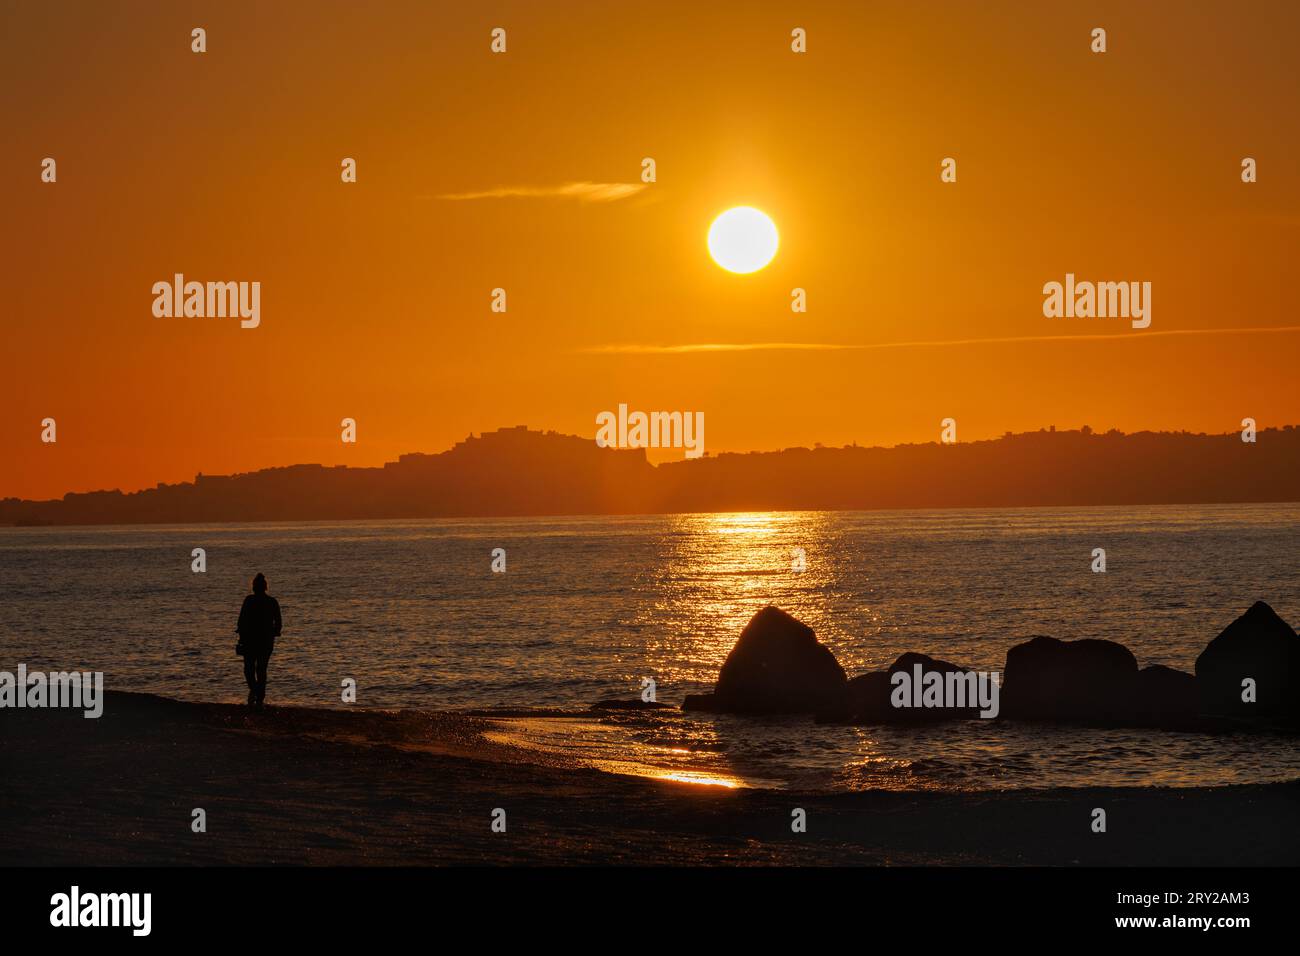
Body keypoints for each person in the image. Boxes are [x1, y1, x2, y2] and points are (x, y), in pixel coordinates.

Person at [236, 573, 281, 709]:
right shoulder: (272, 602)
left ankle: (255, 692)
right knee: (261, 669)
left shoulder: (249, 600)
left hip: (250, 640)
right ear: (265, 587)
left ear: (254, 587)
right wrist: (275, 631)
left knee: (249, 669)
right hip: (265, 641)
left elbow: (241, 620)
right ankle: (259, 697)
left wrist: (241, 635)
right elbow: (278, 622)